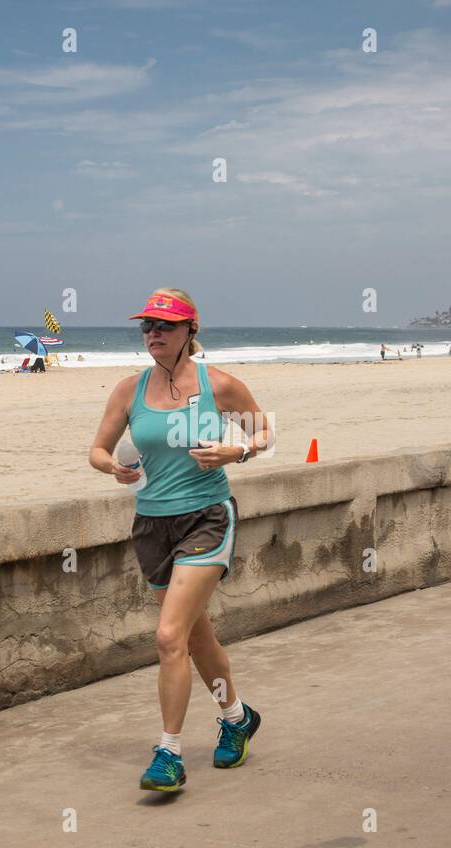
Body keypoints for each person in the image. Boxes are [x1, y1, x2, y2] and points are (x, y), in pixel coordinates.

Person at [88, 288, 272, 793]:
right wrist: (113, 468)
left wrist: (237, 452)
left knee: (169, 636)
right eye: (147, 326)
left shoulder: (222, 385)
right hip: (151, 525)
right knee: (195, 636)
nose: (154, 334)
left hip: (207, 519)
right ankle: (237, 718)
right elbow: (97, 450)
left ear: (191, 331)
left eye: (165, 326)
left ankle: (168, 754)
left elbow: (264, 434)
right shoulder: (129, 390)